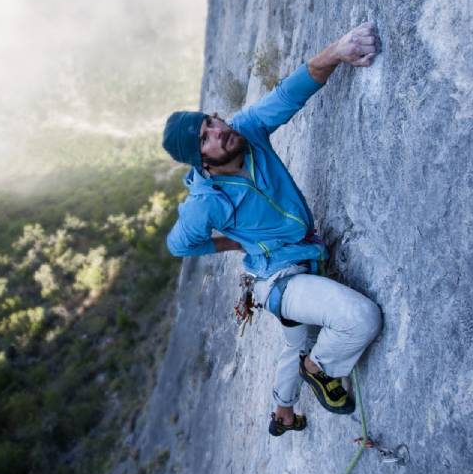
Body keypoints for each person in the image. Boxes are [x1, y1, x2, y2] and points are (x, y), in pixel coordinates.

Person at [161, 22, 383, 437]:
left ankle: (283, 413)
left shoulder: (248, 130)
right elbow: (179, 245)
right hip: (279, 280)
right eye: (206, 137)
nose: (219, 130)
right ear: (200, 161)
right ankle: (321, 370)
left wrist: (336, 50)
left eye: (211, 121)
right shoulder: (206, 201)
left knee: (293, 343)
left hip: (299, 262)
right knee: (359, 319)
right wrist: (229, 243)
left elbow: (292, 91)